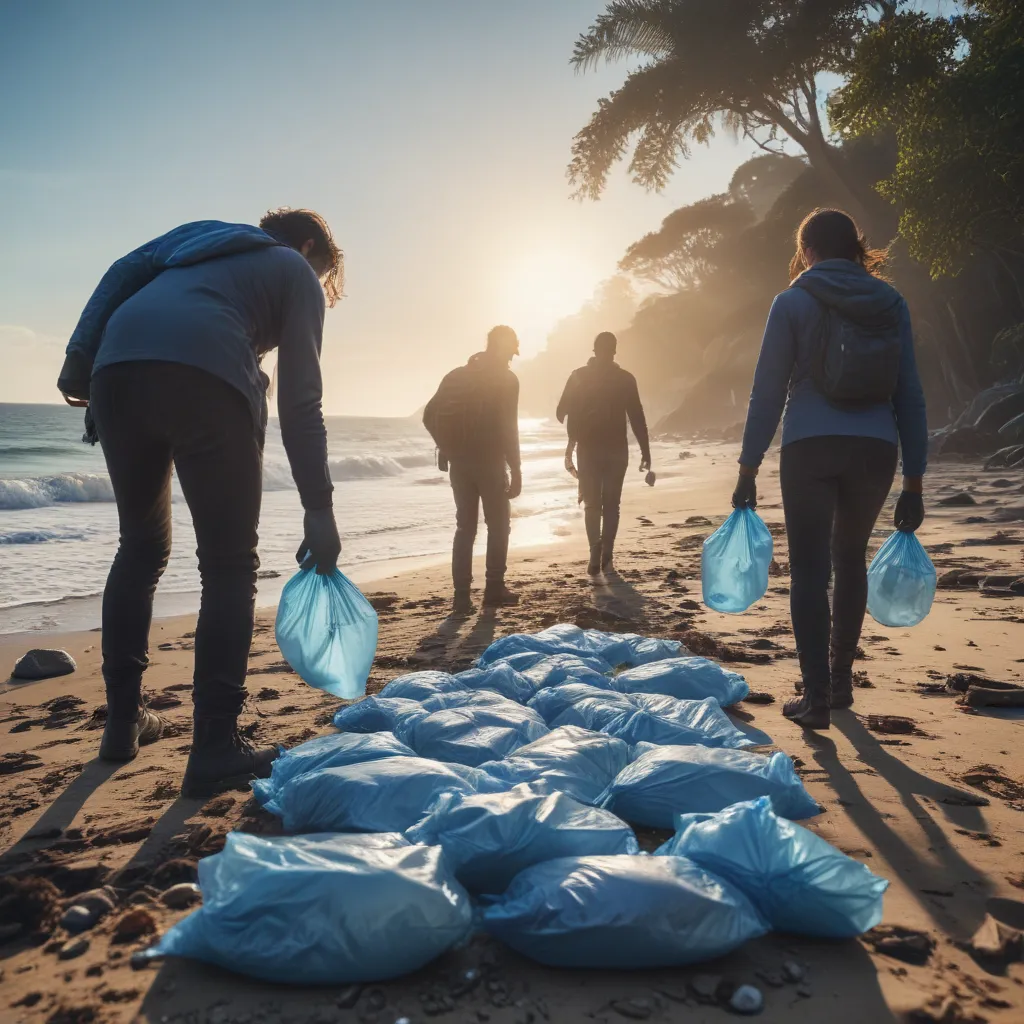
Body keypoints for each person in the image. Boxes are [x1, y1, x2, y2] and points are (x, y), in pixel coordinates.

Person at [56, 209, 344, 796]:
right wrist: (319, 508)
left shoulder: (201, 243)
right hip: (205, 373)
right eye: (323, 272)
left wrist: (81, 359)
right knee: (229, 564)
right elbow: (301, 402)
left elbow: (123, 269)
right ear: (307, 246)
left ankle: (122, 723)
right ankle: (214, 746)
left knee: (140, 548)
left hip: (115, 369)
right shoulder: (295, 271)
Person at [733, 208, 927, 730]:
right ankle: (841, 683)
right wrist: (914, 479)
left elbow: (767, 391)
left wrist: (748, 467)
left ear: (808, 252)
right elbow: (909, 392)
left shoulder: (791, 301)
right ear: (855, 248)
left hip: (809, 446)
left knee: (810, 569)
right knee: (850, 559)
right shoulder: (890, 301)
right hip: (876, 448)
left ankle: (815, 697)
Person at [423, 325, 522, 615]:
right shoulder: (506, 379)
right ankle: (494, 588)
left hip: (460, 464)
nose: (512, 358)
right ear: (504, 348)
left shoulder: (457, 375)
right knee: (499, 525)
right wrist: (516, 468)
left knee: (465, 528)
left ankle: (462, 598)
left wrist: (445, 446)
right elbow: (509, 427)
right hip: (490, 461)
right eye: (512, 351)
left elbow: (429, 415)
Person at [557, 331, 651, 575]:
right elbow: (637, 417)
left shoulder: (578, 376)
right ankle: (607, 555)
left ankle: (593, 552)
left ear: (594, 350)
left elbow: (560, 412)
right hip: (616, 450)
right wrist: (646, 451)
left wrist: (579, 415)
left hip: (588, 450)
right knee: (611, 505)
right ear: (614, 351)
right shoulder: (625, 379)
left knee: (592, 505)